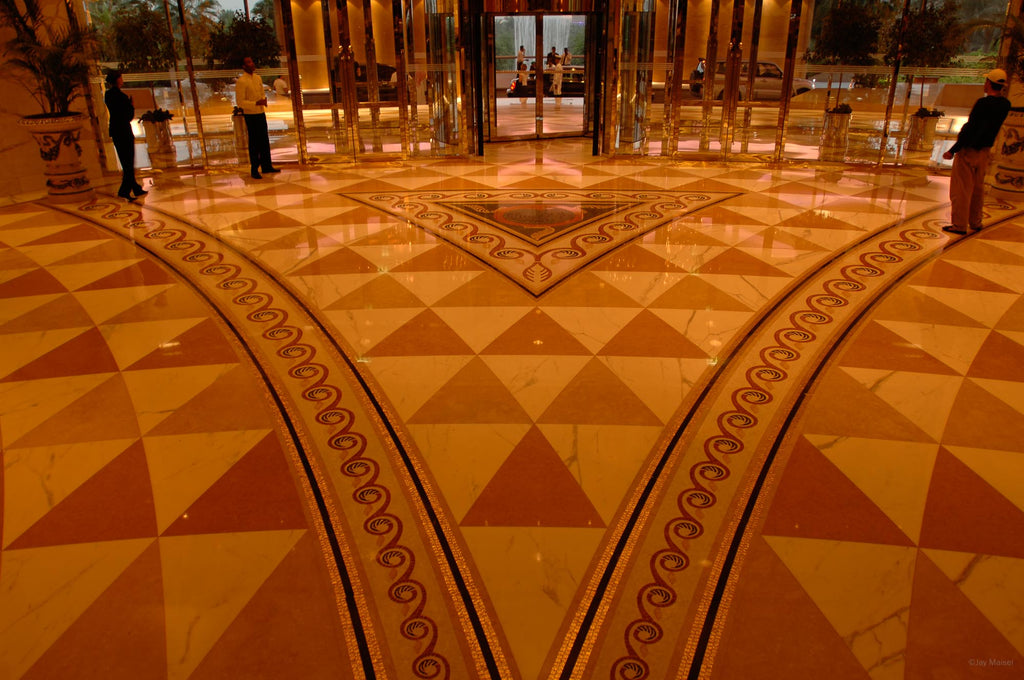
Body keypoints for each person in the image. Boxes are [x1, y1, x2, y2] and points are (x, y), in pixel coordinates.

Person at [942, 68, 1011, 235]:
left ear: (989, 83)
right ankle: (976, 221)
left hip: (969, 150)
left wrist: (953, 150)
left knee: (962, 189)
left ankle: (959, 224)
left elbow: (972, 128)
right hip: (985, 151)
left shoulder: (983, 103)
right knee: (978, 188)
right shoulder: (1005, 105)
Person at [103, 70, 147, 201]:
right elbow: (128, 116)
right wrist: (131, 105)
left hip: (116, 130)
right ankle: (124, 190)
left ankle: (135, 188)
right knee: (128, 161)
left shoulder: (108, 95)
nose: (122, 80)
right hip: (124, 130)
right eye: (120, 78)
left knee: (125, 160)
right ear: (117, 80)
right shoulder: (121, 97)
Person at [236, 56, 280, 179]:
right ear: (244, 66)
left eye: (252, 61)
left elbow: (261, 93)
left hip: (260, 113)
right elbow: (240, 102)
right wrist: (255, 103)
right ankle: (254, 168)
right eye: (249, 62)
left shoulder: (258, 78)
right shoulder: (241, 81)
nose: (252, 63)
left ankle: (267, 166)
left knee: (264, 140)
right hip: (250, 115)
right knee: (254, 143)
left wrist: (262, 100)